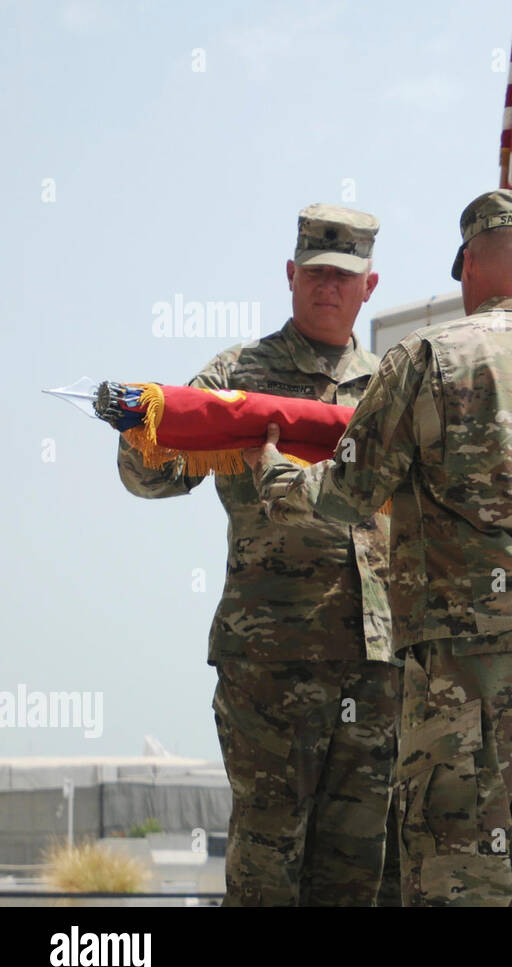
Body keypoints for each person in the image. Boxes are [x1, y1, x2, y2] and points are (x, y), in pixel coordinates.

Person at [245, 189, 512, 907]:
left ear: (471, 267)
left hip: (475, 651)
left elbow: (351, 492)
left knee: (460, 858)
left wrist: (277, 478)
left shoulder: (429, 357)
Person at [118, 204, 398, 906]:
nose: (327, 287)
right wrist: (139, 428)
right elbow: (153, 477)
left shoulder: (395, 384)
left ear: (370, 287)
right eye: (314, 273)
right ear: (289, 275)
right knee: (269, 860)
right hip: (273, 659)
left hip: (379, 660)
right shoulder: (240, 375)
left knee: (357, 868)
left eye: (343, 275)